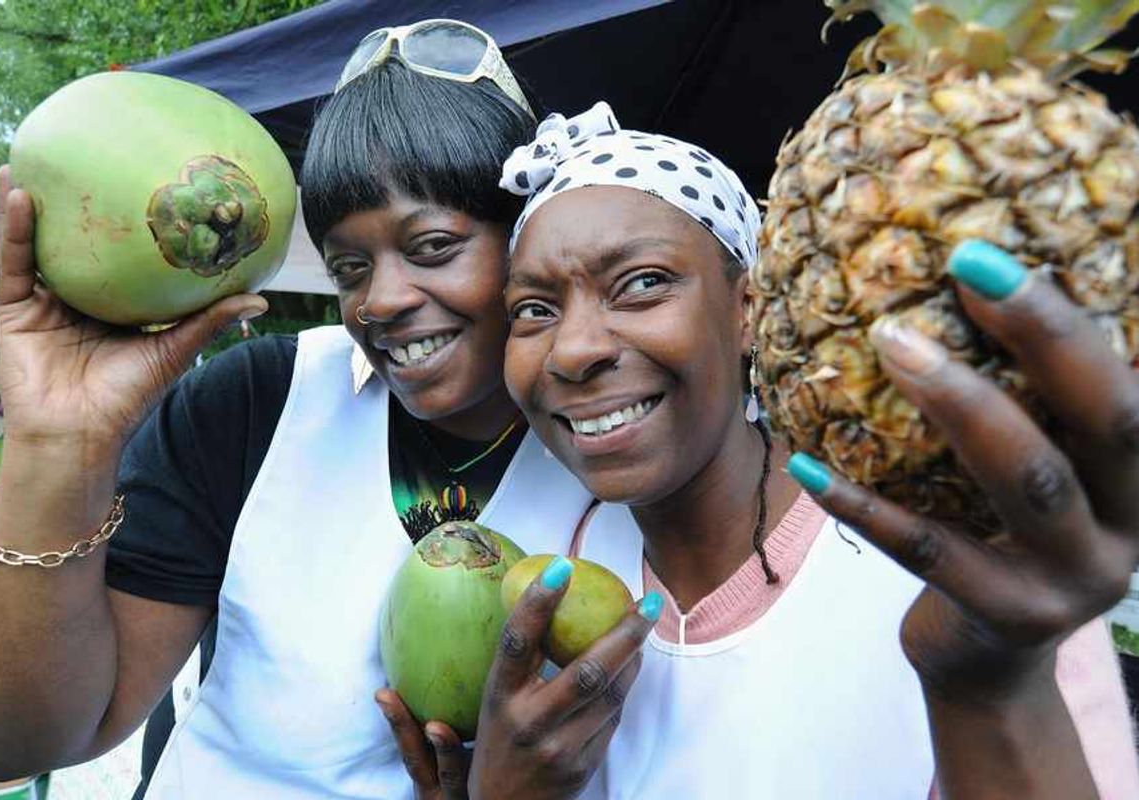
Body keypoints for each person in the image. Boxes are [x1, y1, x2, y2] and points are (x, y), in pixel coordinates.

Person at [377, 103, 1139, 799]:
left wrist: (987, 688)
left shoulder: (961, 570)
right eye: (534, 309)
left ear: (751, 311)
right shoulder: (540, 572)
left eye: (642, 284)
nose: (573, 350)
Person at [0, 20, 624, 799]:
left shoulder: (629, 435)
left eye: (434, 246)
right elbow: (23, 741)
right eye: (348, 266)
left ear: (529, 237)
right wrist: (54, 445)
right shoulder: (257, 401)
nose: (382, 301)